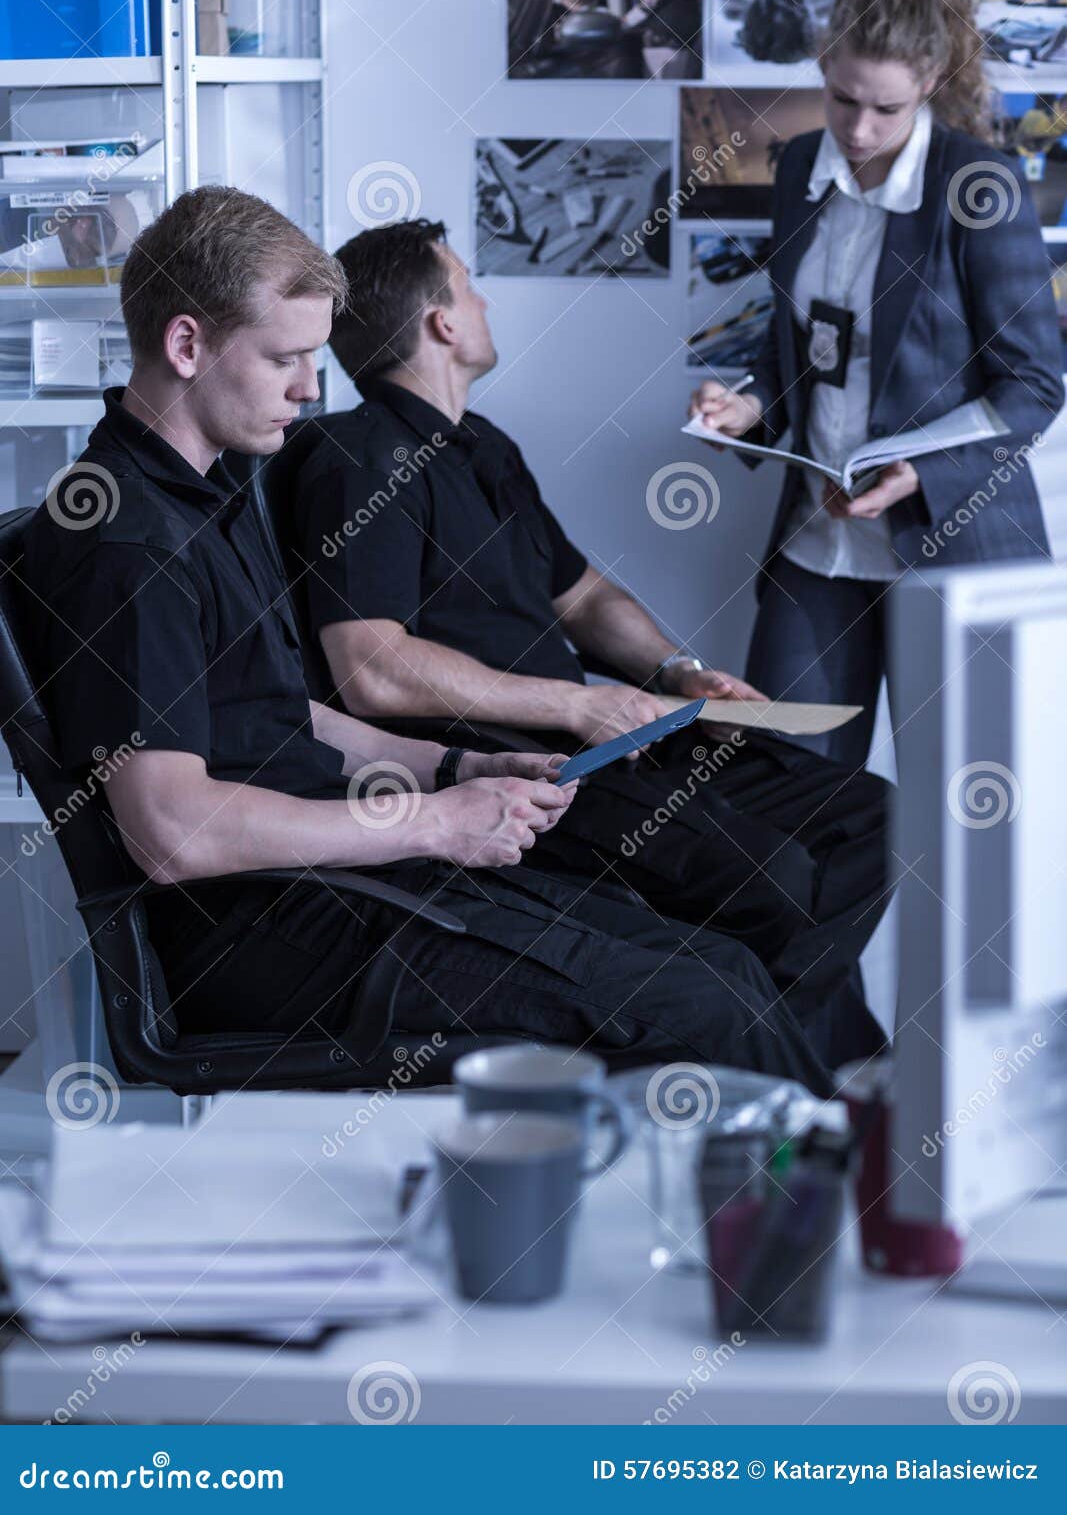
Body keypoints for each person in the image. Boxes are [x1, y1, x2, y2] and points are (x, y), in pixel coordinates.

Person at [21, 184, 841, 1095]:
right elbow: (173, 831)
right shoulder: (127, 543)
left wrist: (458, 767)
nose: (310, 386)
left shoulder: (213, 494)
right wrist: (436, 820)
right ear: (186, 345)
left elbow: (279, 715)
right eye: (285, 358)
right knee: (703, 1007)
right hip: (258, 926)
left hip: (342, 878)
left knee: (722, 967)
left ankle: (819, 1173)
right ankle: (820, 1184)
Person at [286, 218, 895, 1072]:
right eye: (468, 286)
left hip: (614, 736)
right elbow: (372, 669)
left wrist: (676, 673)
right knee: (773, 884)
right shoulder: (357, 458)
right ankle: (785, 1069)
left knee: (873, 820)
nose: (484, 300)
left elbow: (581, 596)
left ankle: (769, 1058)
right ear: (441, 322)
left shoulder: (484, 448)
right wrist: (578, 703)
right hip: (526, 771)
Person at [688, 0, 1063, 769]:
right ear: (824, 64)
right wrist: (748, 405)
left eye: (885, 109)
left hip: (957, 543)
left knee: (961, 797)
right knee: (782, 787)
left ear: (928, 83)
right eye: (841, 98)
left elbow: (1034, 384)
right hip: (816, 543)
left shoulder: (980, 186)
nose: (858, 129)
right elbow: (804, 343)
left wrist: (921, 472)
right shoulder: (798, 167)